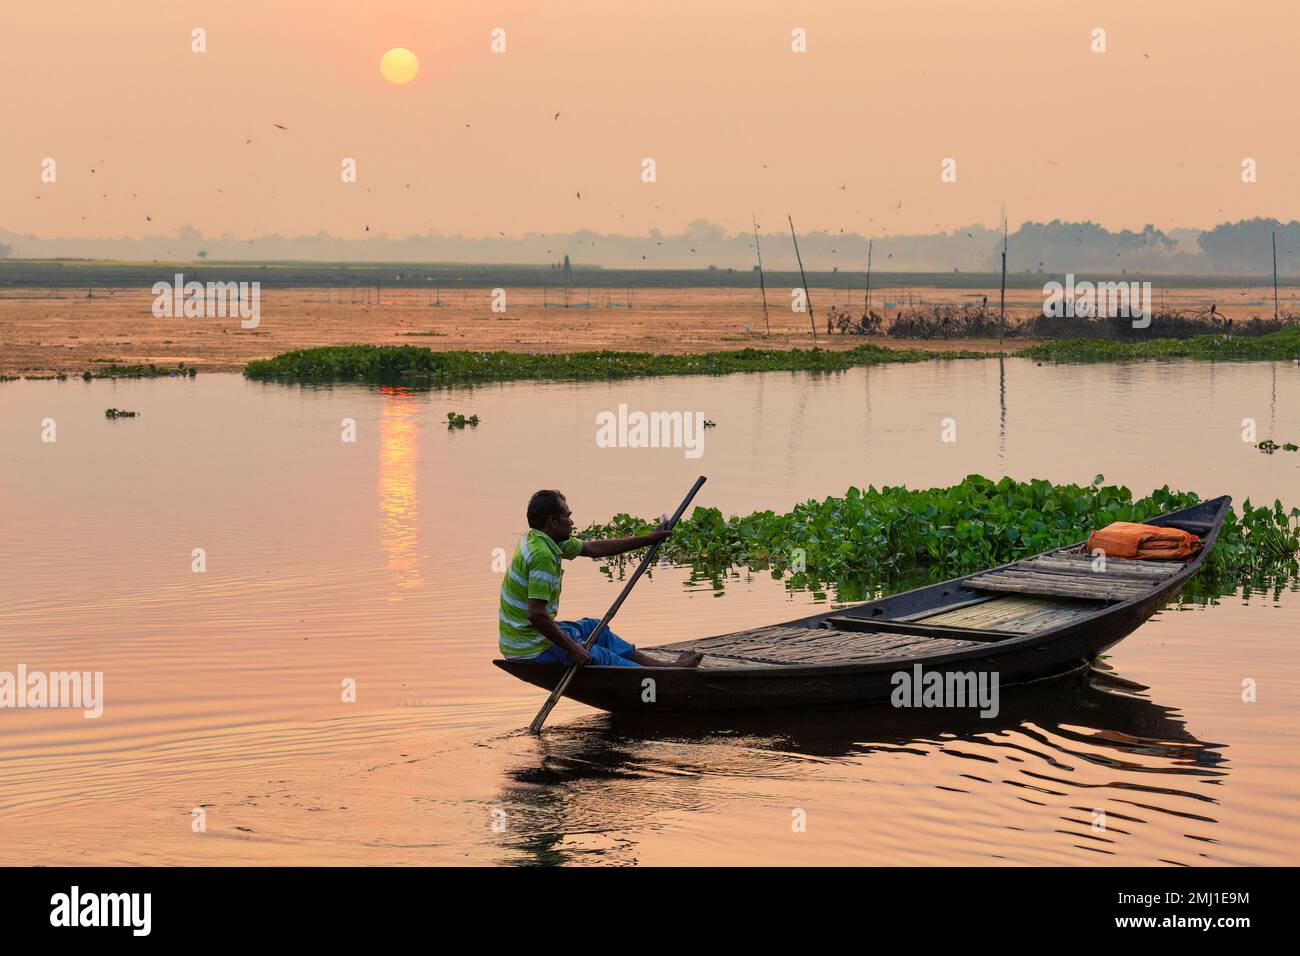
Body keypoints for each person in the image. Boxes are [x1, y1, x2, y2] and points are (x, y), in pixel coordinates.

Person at [498, 490, 704, 668]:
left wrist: (649, 538)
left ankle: (663, 667)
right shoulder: (541, 555)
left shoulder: (542, 538)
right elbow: (537, 616)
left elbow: (593, 549)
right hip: (529, 647)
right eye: (567, 517)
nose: (571, 522)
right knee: (599, 655)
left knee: (595, 628)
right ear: (552, 521)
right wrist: (573, 649)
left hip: (525, 636)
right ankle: (666, 673)